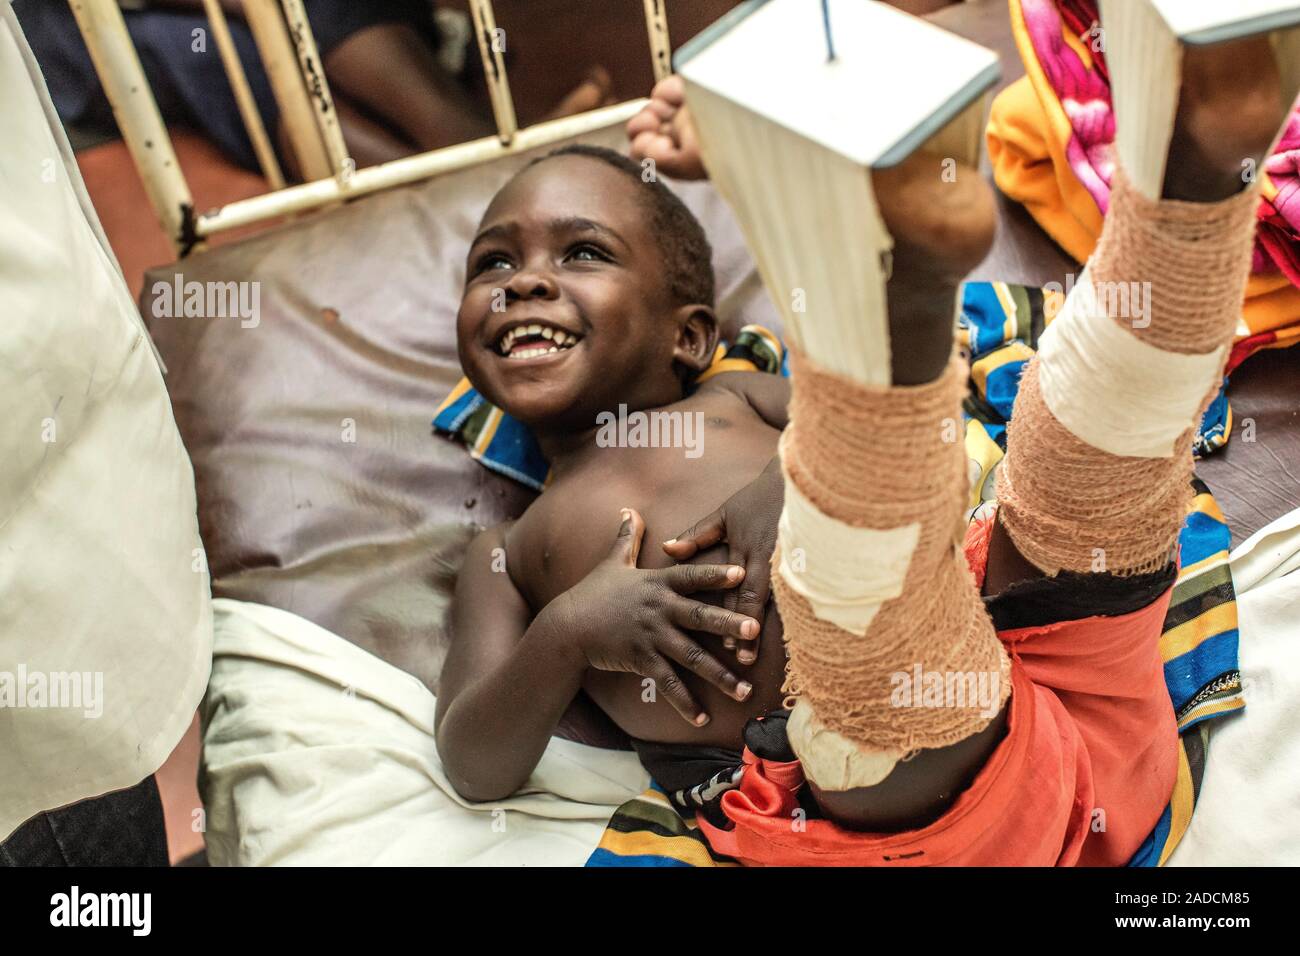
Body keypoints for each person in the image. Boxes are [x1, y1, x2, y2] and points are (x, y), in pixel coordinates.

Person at [438, 25, 1287, 865]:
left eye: (583, 251)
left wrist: (792, 479)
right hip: (911, 808)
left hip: (1050, 663)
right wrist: (570, 630)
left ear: (690, 337)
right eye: (493, 264)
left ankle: (1196, 180)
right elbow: (474, 762)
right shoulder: (507, 554)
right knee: (863, 652)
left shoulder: (735, 394)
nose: (527, 281)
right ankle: (899, 273)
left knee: (1090, 456)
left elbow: (897, 430)